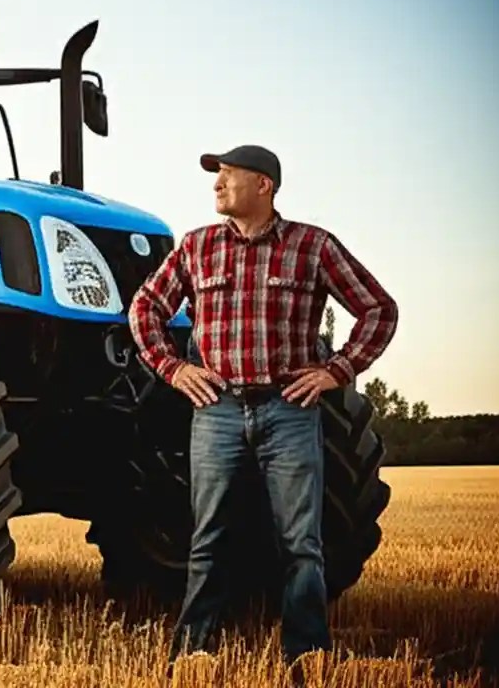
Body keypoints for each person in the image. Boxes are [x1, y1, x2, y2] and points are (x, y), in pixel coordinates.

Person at [126, 145, 399, 672]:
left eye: (227, 176)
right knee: (207, 537)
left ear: (264, 185)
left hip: (289, 412)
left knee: (302, 543)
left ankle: (307, 656)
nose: (216, 186)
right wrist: (175, 369)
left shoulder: (312, 247)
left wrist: (336, 371)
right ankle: (193, 653)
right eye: (217, 177)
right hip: (217, 411)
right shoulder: (196, 247)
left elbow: (378, 309)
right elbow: (145, 308)